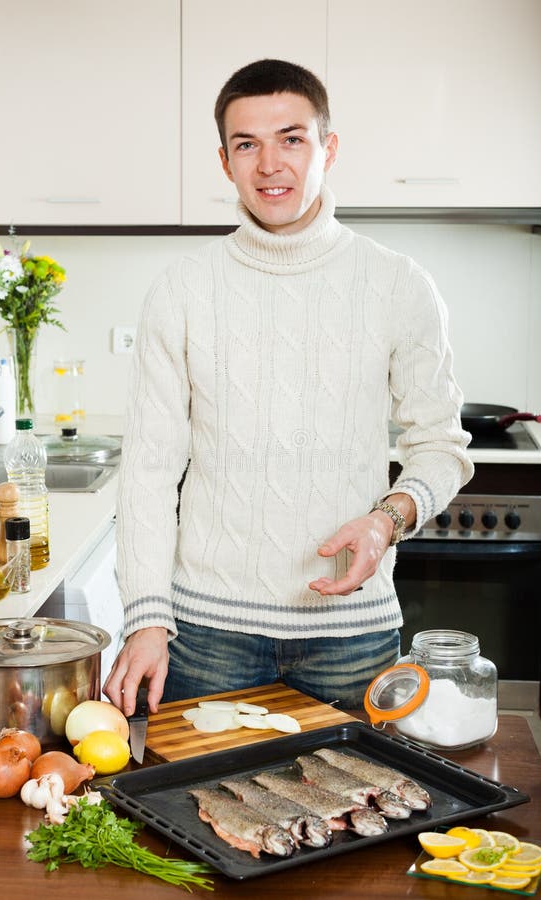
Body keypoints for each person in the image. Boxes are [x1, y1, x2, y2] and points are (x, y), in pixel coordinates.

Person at [104, 58, 473, 717]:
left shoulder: (398, 284)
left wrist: (385, 519)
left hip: (351, 633)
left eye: (291, 139)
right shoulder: (182, 290)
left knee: (355, 819)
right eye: (247, 144)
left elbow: (441, 448)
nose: (269, 164)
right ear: (224, 162)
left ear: (327, 149)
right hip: (205, 634)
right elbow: (149, 475)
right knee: (197, 814)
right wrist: (146, 618)